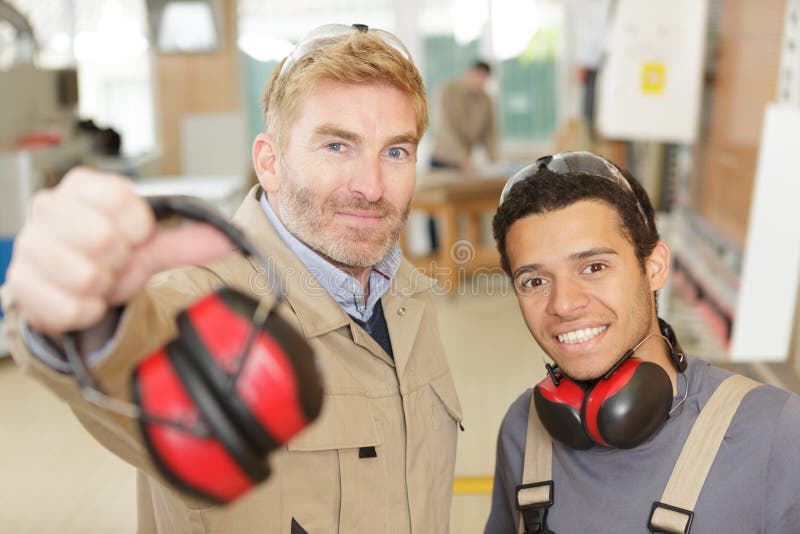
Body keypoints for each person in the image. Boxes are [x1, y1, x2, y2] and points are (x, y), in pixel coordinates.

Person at [1, 23, 463, 534]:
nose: (372, 187)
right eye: (337, 146)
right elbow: (130, 356)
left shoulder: (406, 294)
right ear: (270, 163)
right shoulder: (204, 305)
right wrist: (86, 315)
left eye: (395, 152)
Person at [484, 151, 800, 533]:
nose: (564, 304)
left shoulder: (775, 430)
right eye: (534, 281)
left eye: (594, 267)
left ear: (655, 267)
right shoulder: (523, 429)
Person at [430, 60, 498, 172]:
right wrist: (461, 158)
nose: (480, 82)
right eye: (478, 76)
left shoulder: (486, 100)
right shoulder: (448, 91)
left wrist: (493, 157)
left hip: (466, 162)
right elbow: (446, 128)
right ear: (469, 73)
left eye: (484, 79)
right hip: (443, 159)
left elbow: (489, 132)